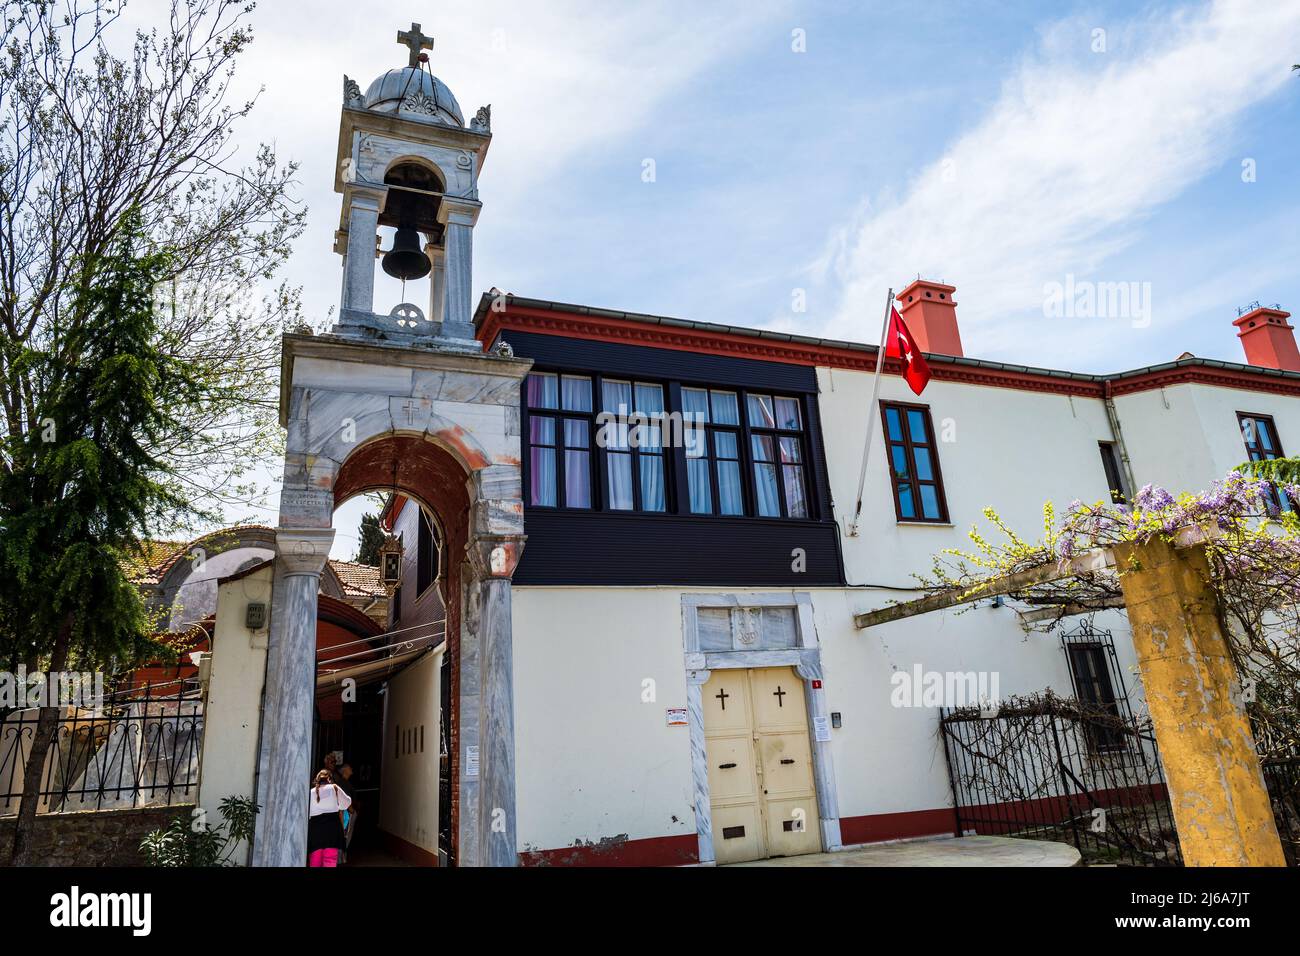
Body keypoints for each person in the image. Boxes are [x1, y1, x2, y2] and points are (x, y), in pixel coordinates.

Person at [307, 768, 352, 867]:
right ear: (330, 779)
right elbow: (347, 803)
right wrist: (335, 803)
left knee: (315, 861)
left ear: (317, 780)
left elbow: (306, 811)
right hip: (332, 830)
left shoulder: (310, 792)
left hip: (316, 831)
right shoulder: (334, 788)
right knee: (330, 860)